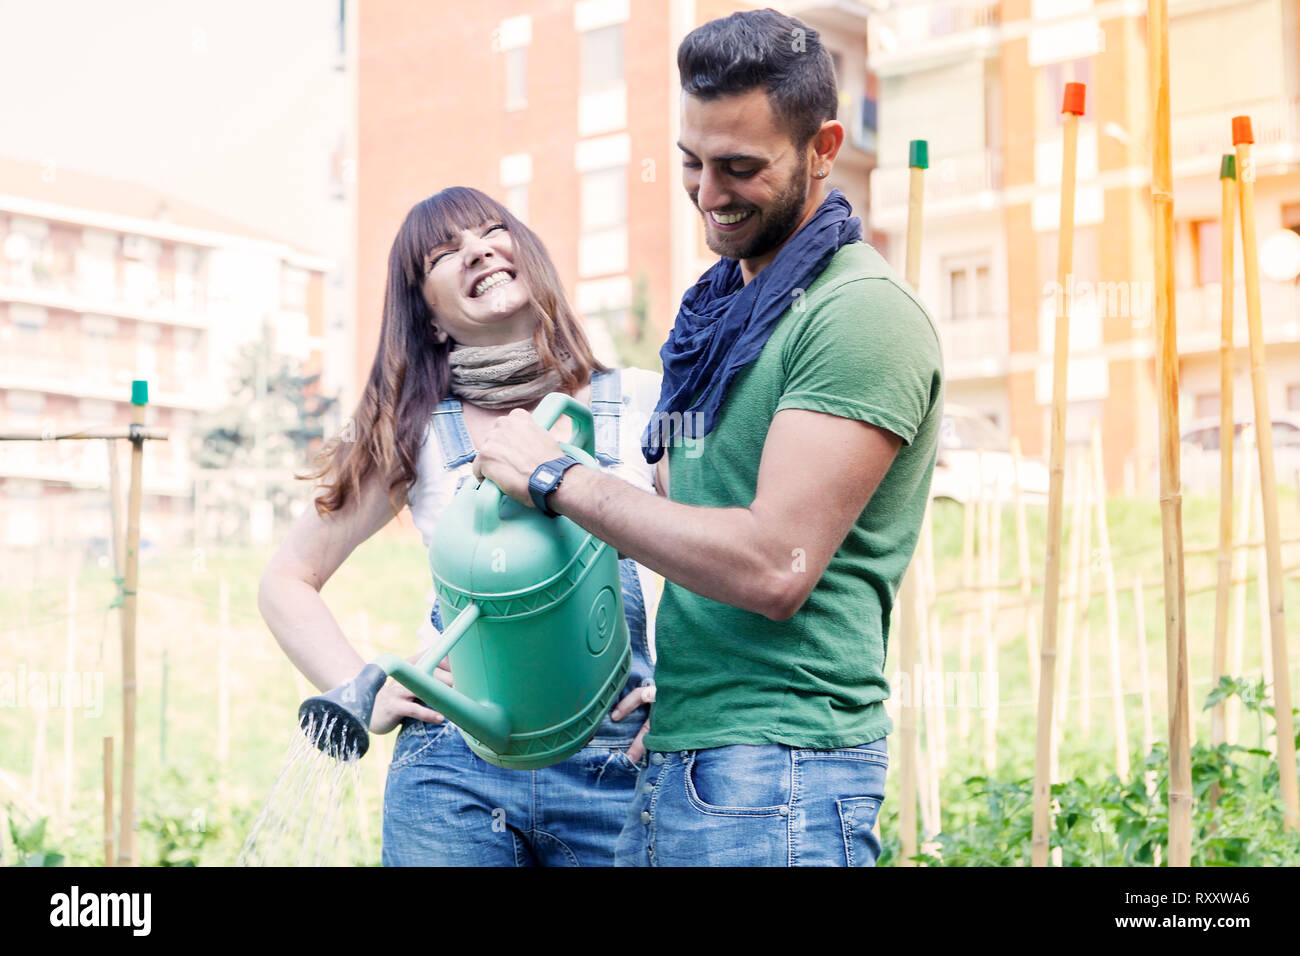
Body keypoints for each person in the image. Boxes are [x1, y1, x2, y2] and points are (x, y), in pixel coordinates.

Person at [472, 9, 944, 866]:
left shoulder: (860, 315)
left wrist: (559, 480)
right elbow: (693, 537)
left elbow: (774, 566)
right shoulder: (722, 318)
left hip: (783, 779)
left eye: (740, 168)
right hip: (694, 767)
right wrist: (685, 706)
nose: (708, 193)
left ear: (824, 147)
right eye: (691, 161)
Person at [257, 186, 662, 866]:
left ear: (524, 255)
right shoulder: (414, 432)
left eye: (489, 232)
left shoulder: (646, 400)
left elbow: (714, 560)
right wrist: (367, 685)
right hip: (455, 762)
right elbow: (287, 580)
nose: (477, 250)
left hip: (617, 765)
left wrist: (692, 685)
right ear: (434, 318)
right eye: (445, 254)